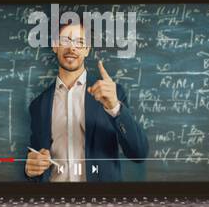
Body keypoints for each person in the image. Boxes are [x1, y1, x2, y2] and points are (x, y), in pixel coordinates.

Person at [24, 21, 148, 182]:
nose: (72, 48)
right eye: (65, 41)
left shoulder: (111, 94)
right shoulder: (38, 105)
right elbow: (36, 161)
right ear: (55, 45)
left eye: (80, 42)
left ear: (87, 50)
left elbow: (139, 153)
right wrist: (30, 169)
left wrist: (115, 107)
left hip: (100, 201)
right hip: (54, 202)